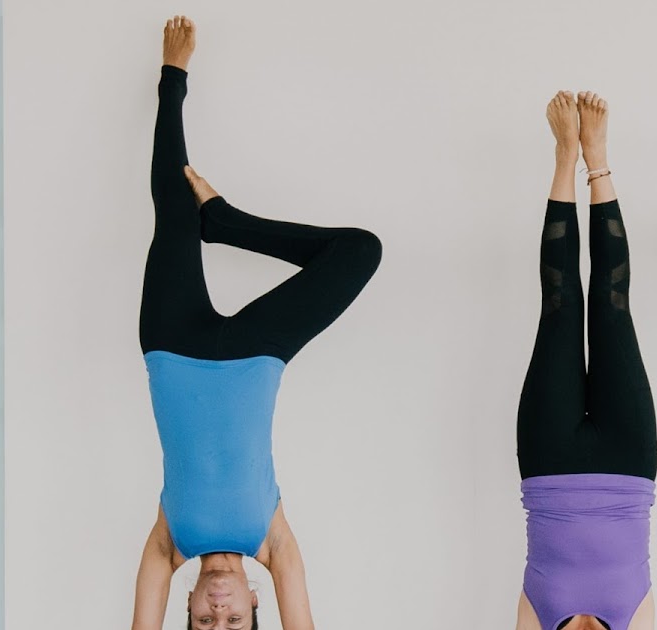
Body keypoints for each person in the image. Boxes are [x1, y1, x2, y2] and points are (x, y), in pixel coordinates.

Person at [131, 16, 382, 630]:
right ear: (256, 604)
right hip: (253, 353)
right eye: (236, 624)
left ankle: (173, 77)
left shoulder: (169, 544)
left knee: (171, 212)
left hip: (171, 347)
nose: (220, 612)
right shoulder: (274, 544)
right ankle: (226, 221)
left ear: (182, 608)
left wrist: (171, 78)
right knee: (359, 251)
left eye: (204, 624)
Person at [514, 90, 657, 630]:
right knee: (611, 303)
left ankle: (563, 158)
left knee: (559, 304)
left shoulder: (538, 622)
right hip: (628, 467)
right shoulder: (633, 623)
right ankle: (597, 160)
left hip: (547, 465)